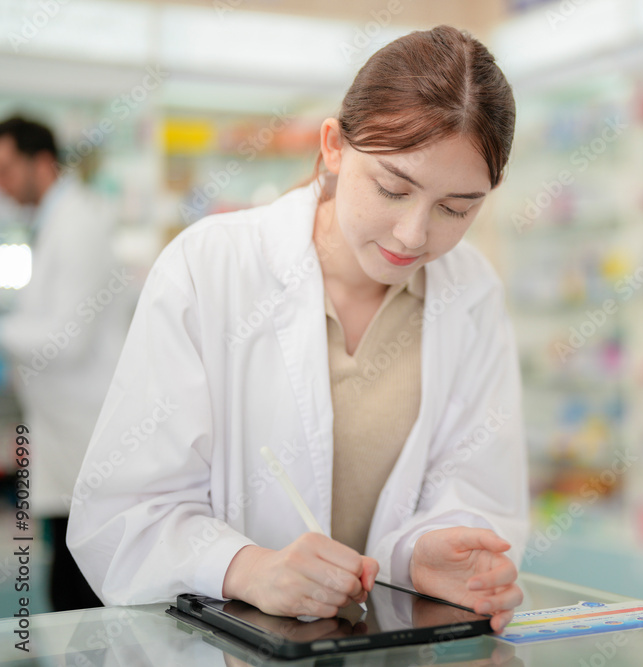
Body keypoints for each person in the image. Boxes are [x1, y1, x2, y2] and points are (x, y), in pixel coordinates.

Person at [67, 25, 529, 632]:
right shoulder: (211, 266)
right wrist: (245, 566)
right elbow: (123, 512)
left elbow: (478, 489)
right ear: (334, 147)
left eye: (456, 208)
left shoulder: (471, 291)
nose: (415, 234)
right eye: (393, 188)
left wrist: (422, 557)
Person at [0, 116, 132, 610]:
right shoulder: (55, 221)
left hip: (85, 434)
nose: (3, 182)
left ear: (42, 162)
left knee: (81, 592)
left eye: (8, 168)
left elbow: (65, 337)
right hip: (64, 434)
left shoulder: (77, 223)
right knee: (67, 579)